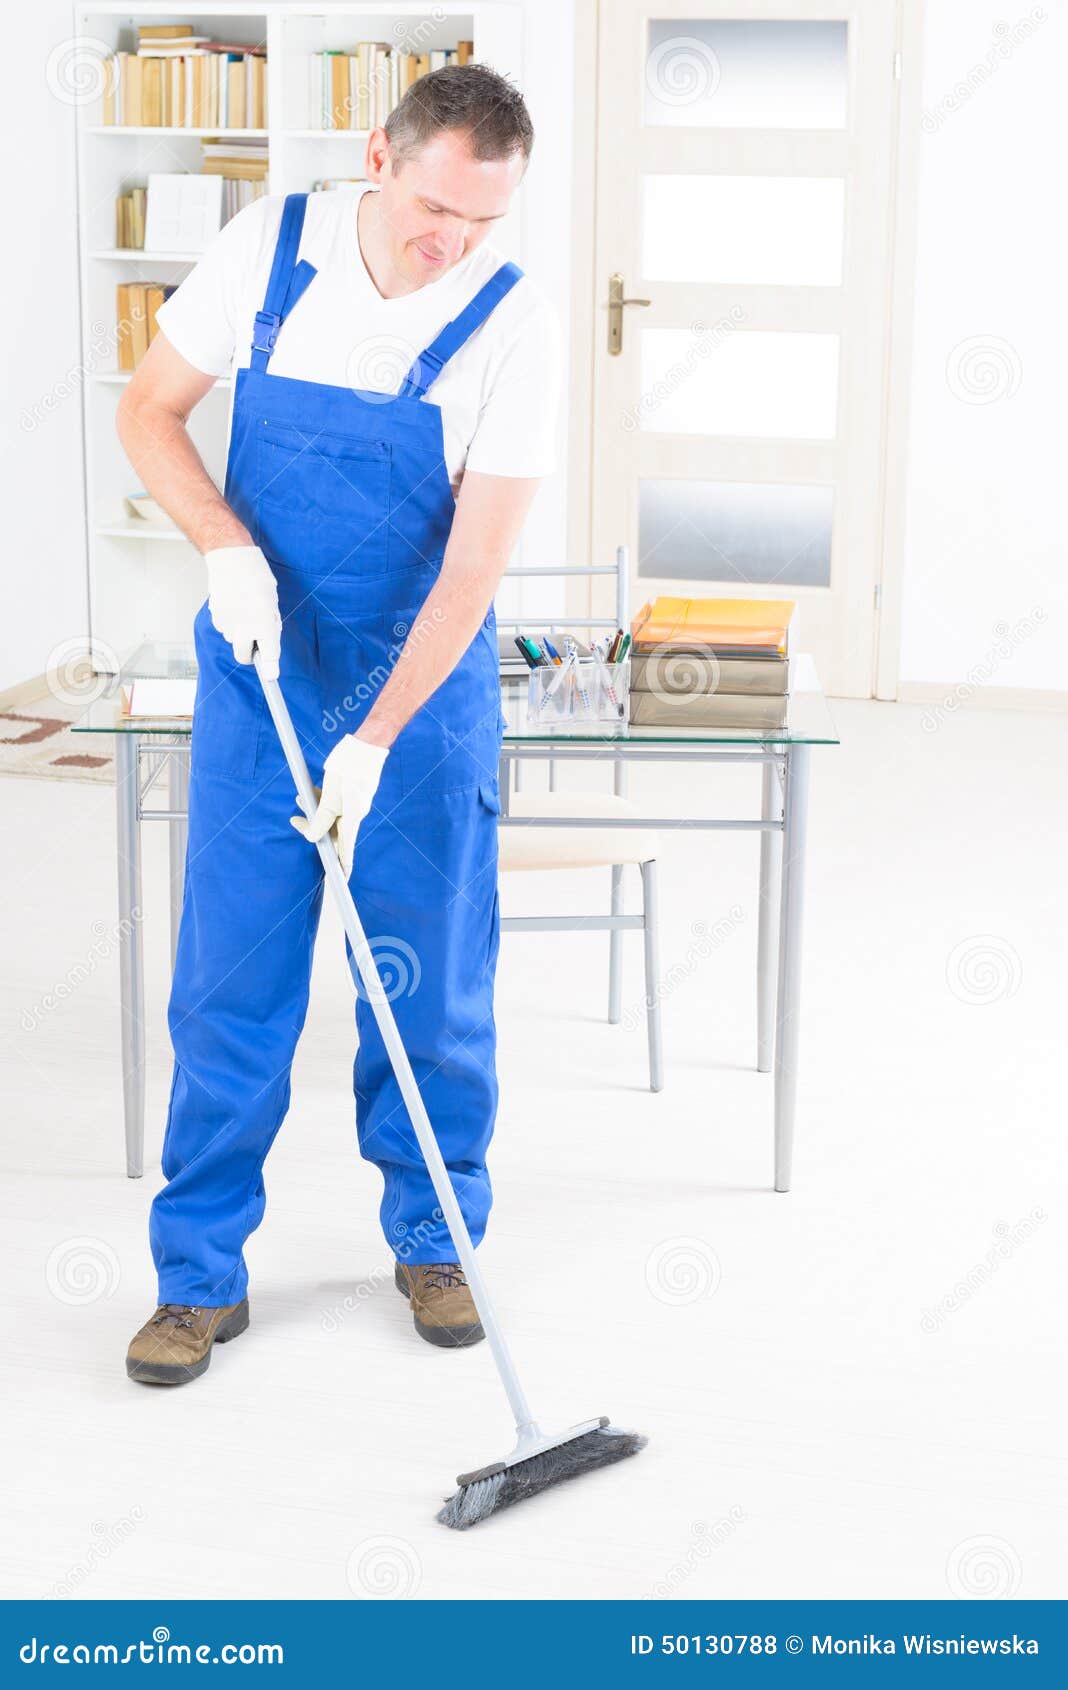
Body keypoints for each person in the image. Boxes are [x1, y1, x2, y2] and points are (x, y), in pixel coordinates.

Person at [115, 64, 559, 1385]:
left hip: (416, 707)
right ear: (380, 155)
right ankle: (197, 1279)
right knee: (229, 992)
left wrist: (374, 740)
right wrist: (221, 547)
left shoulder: (511, 322)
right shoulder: (270, 251)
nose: (452, 246)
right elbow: (149, 411)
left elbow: (473, 567)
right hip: (260, 681)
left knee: (428, 991)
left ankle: (435, 1238)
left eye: (483, 223)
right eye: (434, 211)